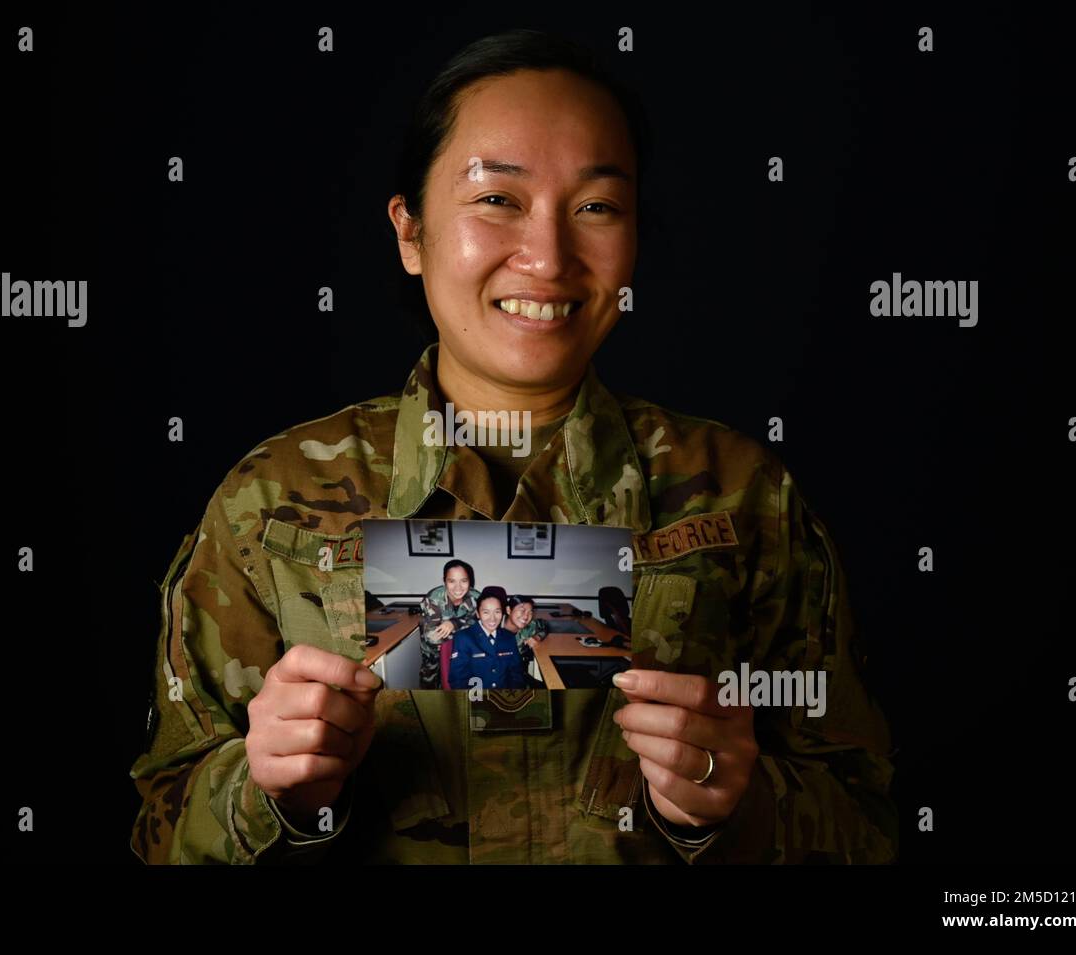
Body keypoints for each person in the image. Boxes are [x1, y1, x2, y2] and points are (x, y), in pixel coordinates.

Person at [129, 29, 897, 864]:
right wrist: (268, 793)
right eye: (498, 200)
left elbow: (864, 826)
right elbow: (158, 831)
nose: (549, 256)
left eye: (597, 207)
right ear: (410, 233)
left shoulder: (745, 498)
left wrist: (727, 811)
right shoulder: (267, 503)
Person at [449, 586, 526, 692]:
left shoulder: (509, 637)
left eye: (497, 612)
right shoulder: (463, 638)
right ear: (478, 614)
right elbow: (458, 680)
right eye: (486, 612)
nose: (492, 618)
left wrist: (512, 698)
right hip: (476, 699)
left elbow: (516, 674)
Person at [418, 558, 478, 688]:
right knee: (430, 686)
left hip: (464, 652)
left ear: (470, 581)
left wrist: (454, 624)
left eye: (464, 581)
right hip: (434, 653)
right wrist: (467, 630)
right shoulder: (433, 599)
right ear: (444, 581)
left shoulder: (476, 597)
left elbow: (482, 625)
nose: (458, 587)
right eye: (452, 581)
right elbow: (433, 637)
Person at [503, 595, 547, 686]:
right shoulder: (493, 626)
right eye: (522, 611)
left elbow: (544, 627)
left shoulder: (528, 626)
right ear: (508, 610)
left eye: (530, 612)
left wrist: (536, 637)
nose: (526, 616)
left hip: (517, 675)